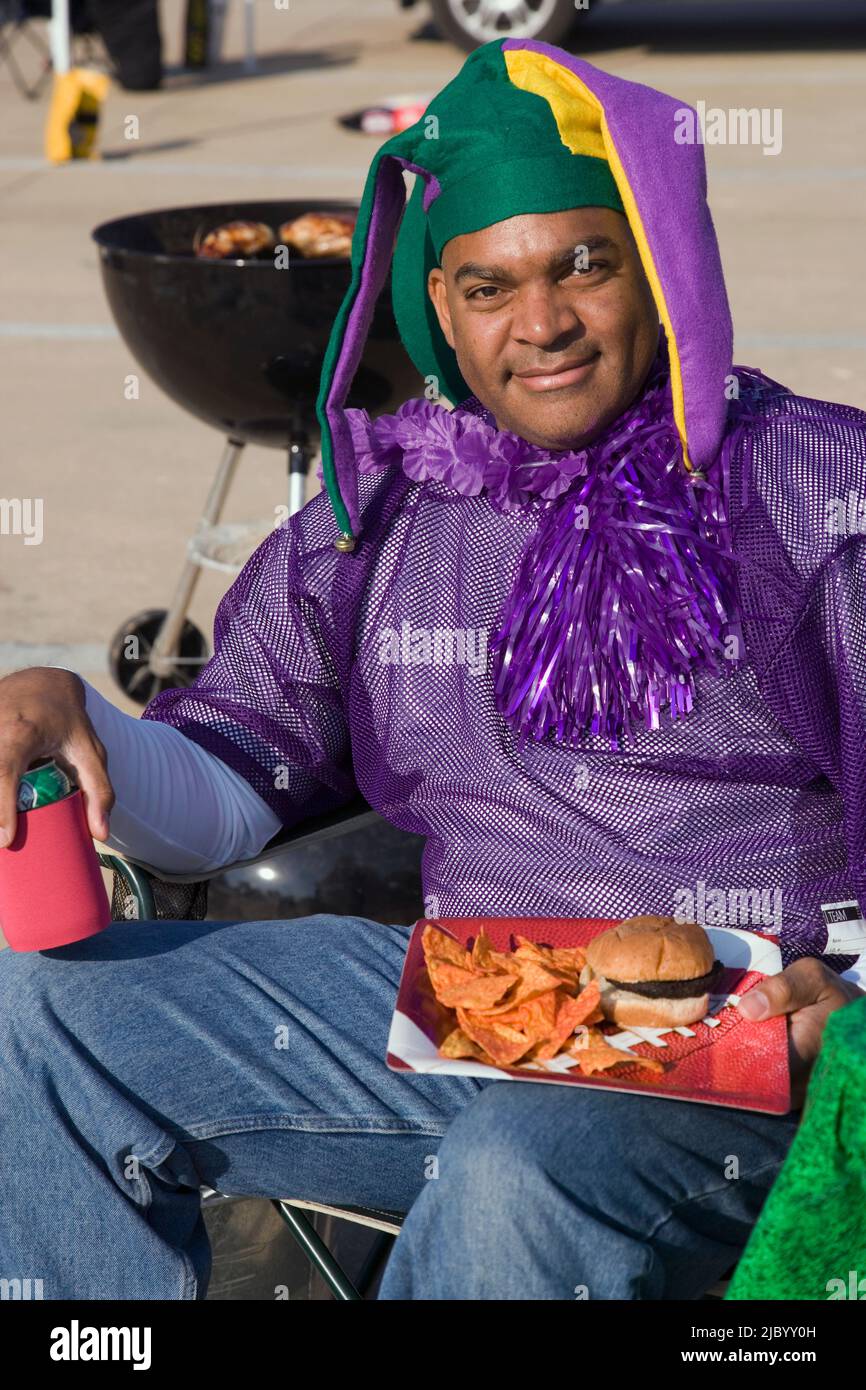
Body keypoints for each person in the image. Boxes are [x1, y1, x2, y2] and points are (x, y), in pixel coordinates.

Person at [1, 39, 864, 1301]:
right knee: (40, 1018)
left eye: (583, 263)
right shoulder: (392, 509)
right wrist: (70, 718)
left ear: (661, 267)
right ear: (438, 313)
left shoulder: (810, 488)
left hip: (751, 1048)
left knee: (518, 1163)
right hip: (472, 1004)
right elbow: (232, 775)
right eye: (486, 286)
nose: (542, 324)